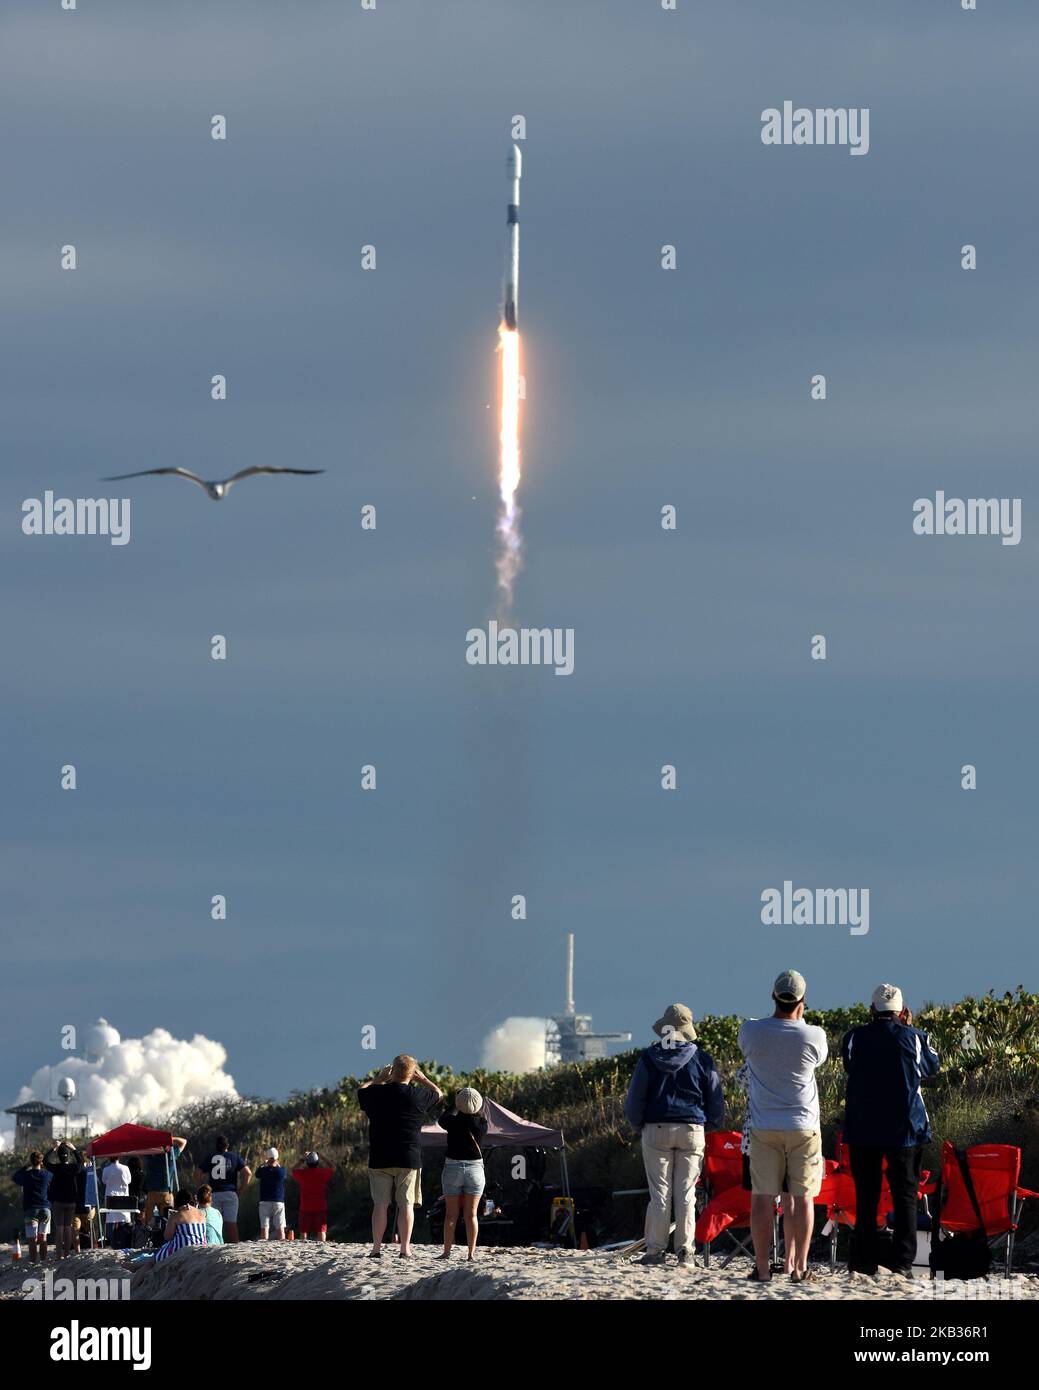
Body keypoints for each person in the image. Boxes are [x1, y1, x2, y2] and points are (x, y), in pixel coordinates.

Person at [841, 983, 941, 1278]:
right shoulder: (915, 1037)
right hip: (906, 1130)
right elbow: (932, 1066)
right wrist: (911, 1029)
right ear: (901, 1010)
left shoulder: (854, 1038)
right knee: (906, 1195)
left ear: (872, 1010)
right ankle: (902, 1262)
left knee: (866, 1195)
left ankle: (864, 1261)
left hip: (864, 1128)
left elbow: (850, 1065)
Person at [738, 970, 828, 1283]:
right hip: (803, 1125)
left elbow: (750, 1054)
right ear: (802, 1002)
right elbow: (817, 1062)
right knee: (803, 1198)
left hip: (764, 1127)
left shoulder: (751, 1031)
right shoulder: (814, 1035)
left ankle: (762, 1269)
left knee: (762, 1197)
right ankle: (799, 1269)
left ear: (774, 997)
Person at [623, 1003, 725, 1266]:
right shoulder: (702, 1059)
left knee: (660, 1194)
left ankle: (655, 1251)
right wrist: (709, 1125)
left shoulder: (648, 1058)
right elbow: (715, 1100)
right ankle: (686, 1252)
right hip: (692, 1129)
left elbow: (635, 1100)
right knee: (686, 1193)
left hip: (656, 1130)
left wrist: (638, 1126)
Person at [358, 1054, 443, 1258]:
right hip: (408, 1156)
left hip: (380, 1156)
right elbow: (438, 1094)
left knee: (380, 1205)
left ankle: (376, 1248)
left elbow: (361, 1091)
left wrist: (378, 1079)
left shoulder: (376, 1093)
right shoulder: (417, 1095)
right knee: (405, 1204)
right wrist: (423, 1079)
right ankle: (405, 1248)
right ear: (412, 1074)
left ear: (392, 1071)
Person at [437, 1087, 488, 1261]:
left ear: (459, 1104)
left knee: (451, 1215)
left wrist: (456, 1102)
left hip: (453, 1168)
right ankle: (471, 1254)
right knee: (471, 1215)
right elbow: (477, 1113)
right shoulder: (482, 1124)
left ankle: (446, 1252)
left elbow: (442, 1118)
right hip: (475, 1169)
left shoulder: (451, 1122)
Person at [196, 1135, 250, 1243]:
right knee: (231, 1222)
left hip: (214, 1194)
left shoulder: (211, 1157)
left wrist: (201, 1189)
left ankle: (215, 1243)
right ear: (227, 1146)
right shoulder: (234, 1157)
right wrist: (241, 1189)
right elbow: (248, 1173)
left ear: (216, 1146)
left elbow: (197, 1173)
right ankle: (235, 1245)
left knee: (213, 1221)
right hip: (230, 1193)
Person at [13, 1151, 53, 1263]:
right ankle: (43, 1261)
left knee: (32, 1240)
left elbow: (15, 1177)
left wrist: (25, 1167)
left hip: (30, 1210)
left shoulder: (26, 1175)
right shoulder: (47, 1175)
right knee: (43, 1238)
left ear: (31, 1161)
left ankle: (33, 1262)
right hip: (45, 1208)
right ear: (41, 1161)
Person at [45, 1141, 83, 1259]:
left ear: (58, 1156)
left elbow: (45, 1161)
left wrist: (54, 1148)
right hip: (71, 1202)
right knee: (68, 1227)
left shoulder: (56, 1168)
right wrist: (74, 1149)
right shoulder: (73, 1168)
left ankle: (58, 1255)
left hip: (58, 1202)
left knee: (59, 1228)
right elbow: (81, 1162)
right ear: (68, 1156)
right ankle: (66, 1254)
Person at [151, 1188, 208, 1264]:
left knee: (150, 1263)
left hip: (182, 1251)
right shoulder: (201, 1214)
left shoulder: (176, 1215)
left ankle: (139, 1271)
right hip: (200, 1250)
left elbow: (167, 1236)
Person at [141, 1136, 187, 1227]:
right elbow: (184, 1142)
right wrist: (171, 1138)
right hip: (166, 1191)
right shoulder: (171, 1154)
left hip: (152, 1192)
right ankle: (165, 1237)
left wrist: (152, 1141)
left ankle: (148, 1237)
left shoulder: (151, 1155)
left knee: (148, 1222)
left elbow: (141, 1148)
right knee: (167, 1220)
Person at [291, 1151, 334, 1242]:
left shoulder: (302, 1174)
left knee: (303, 1231)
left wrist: (302, 1159)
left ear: (307, 1163)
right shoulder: (322, 1173)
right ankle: (322, 1248)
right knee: (321, 1230)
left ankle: (303, 1249)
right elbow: (332, 1167)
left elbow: (293, 1170)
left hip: (305, 1207)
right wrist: (322, 1156)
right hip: (320, 1206)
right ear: (317, 1162)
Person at [252, 1147, 287, 1240]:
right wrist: (277, 1165)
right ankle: (282, 1243)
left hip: (265, 1201)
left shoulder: (263, 1171)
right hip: (278, 1201)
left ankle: (264, 1244)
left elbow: (257, 1173)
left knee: (264, 1227)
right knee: (280, 1227)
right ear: (277, 1158)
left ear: (267, 1158)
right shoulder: (281, 1171)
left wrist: (264, 1164)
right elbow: (283, 1172)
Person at [101, 1155, 134, 1242]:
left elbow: (104, 1181)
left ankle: (112, 1241)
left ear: (109, 1158)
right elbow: (129, 1180)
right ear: (118, 1158)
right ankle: (122, 1239)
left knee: (110, 1219)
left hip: (110, 1196)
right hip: (123, 1196)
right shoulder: (125, 1168)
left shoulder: (106, 1169)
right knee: (123, 1218)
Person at [74, 1157, 99, 1252]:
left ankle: (77, 1250)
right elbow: (97, 1184)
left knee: (75, 1229)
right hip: (88, 1204)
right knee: (92, 1227)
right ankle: (94, 1247)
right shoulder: (90, 1172)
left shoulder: (73, 1171)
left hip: (76, 1205)